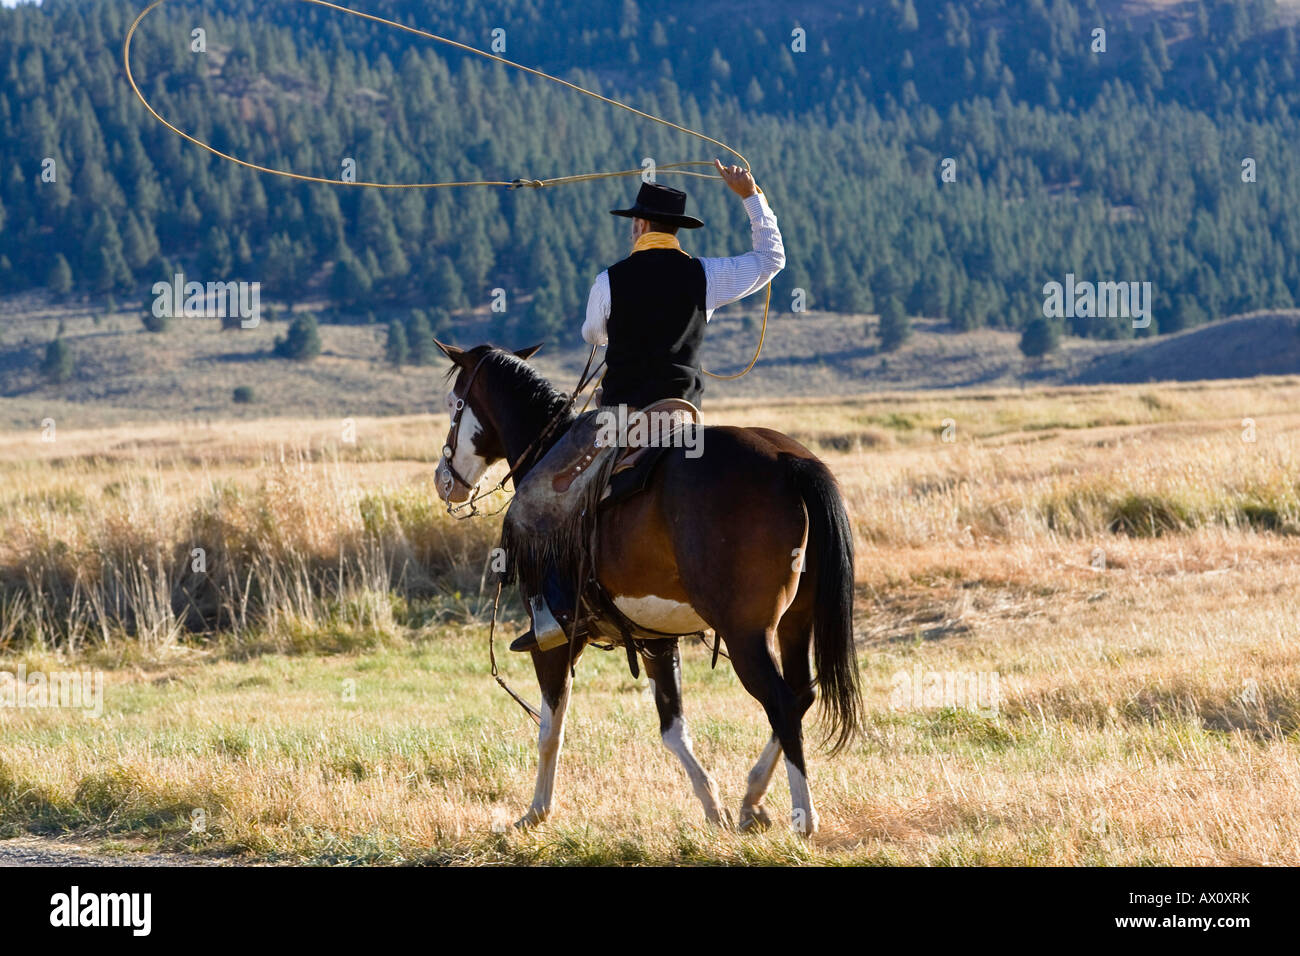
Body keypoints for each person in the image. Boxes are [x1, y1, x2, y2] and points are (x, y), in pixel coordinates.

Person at [509, 160, 785, 652]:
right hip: (683, 419)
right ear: (676, 230)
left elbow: (592, 334)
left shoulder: (609, 280)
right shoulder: (705, 276)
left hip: (622, 422)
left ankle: (559, 609)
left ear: (638, 225)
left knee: (546, 491)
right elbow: (770, 260)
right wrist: (750, 196)